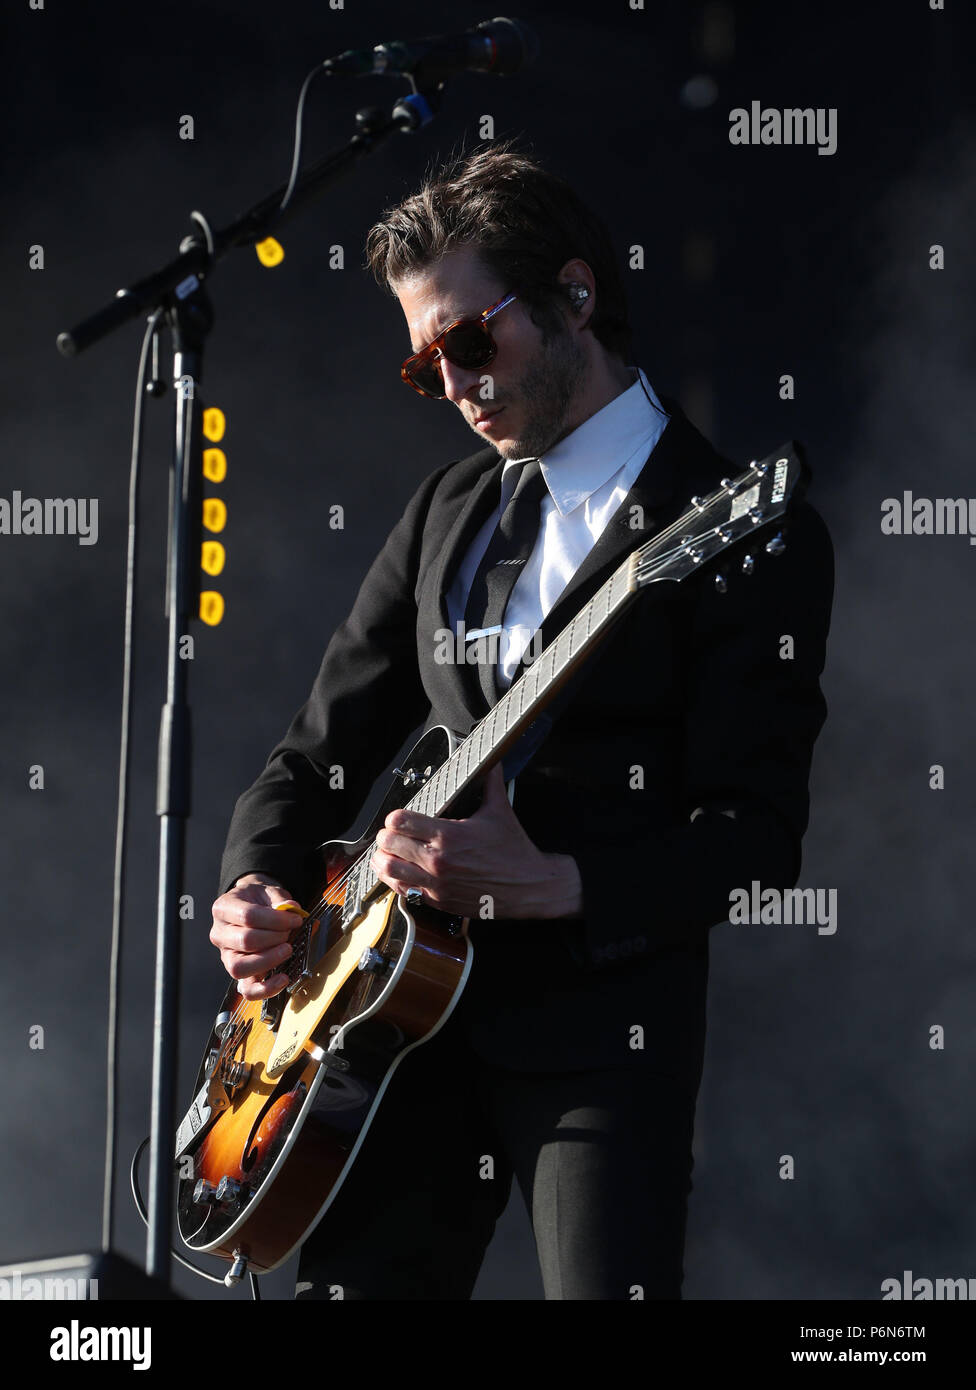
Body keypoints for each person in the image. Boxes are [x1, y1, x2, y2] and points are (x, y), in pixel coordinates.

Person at [208, 142, 834, 1300]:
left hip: (600, 1039)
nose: (451, 382)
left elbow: (755, 832)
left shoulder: (738, 527)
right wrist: (260, 890)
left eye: (467, 339)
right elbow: (313, 755)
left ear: (575, 297)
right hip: (389, 1027)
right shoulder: (447, 509)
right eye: (422, 367)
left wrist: (554, 882)